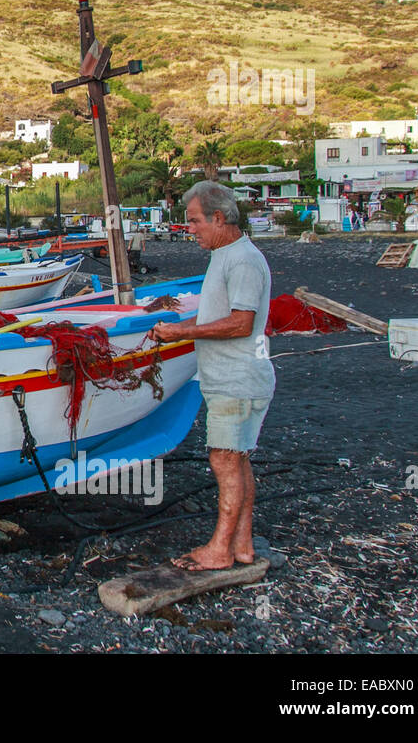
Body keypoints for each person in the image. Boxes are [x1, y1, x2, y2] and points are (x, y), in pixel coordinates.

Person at [152, 180, 275, 572]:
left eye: (194, 221)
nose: (190, 229)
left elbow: (241, 323)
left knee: (223, 459)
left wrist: (181, 332)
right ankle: (242, 546)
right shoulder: (225, 256)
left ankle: (219, 550)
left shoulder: (241, 261)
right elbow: (215, 316)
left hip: (237, 380)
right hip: (229, 379)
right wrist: (174, 327)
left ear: (218, 218)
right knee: (237, 459)